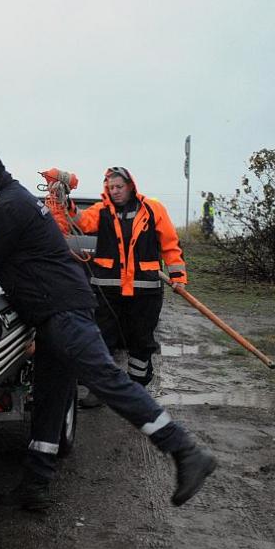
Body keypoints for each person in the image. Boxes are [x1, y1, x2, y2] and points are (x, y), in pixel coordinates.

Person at [0, 146, 216, 511]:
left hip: (63, 310)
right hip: (51, 313)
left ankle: (185, 451)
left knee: (107, 380)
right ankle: (35, 483)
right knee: (51, 396)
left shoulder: (9, 208)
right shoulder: (6, 203)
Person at [74, 167, 187, 391]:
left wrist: (178, 276)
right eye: (111, 187)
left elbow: (170, 244)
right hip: (108, 291)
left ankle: (136, 389)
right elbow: (83, 222)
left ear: (130, 186)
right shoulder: (102, 211)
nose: (115, 191)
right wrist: (64, 203)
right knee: (102, 339)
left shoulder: (153, 209)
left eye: (119, 187)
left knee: (141, 342)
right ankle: (102, 390)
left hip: (145, 290)